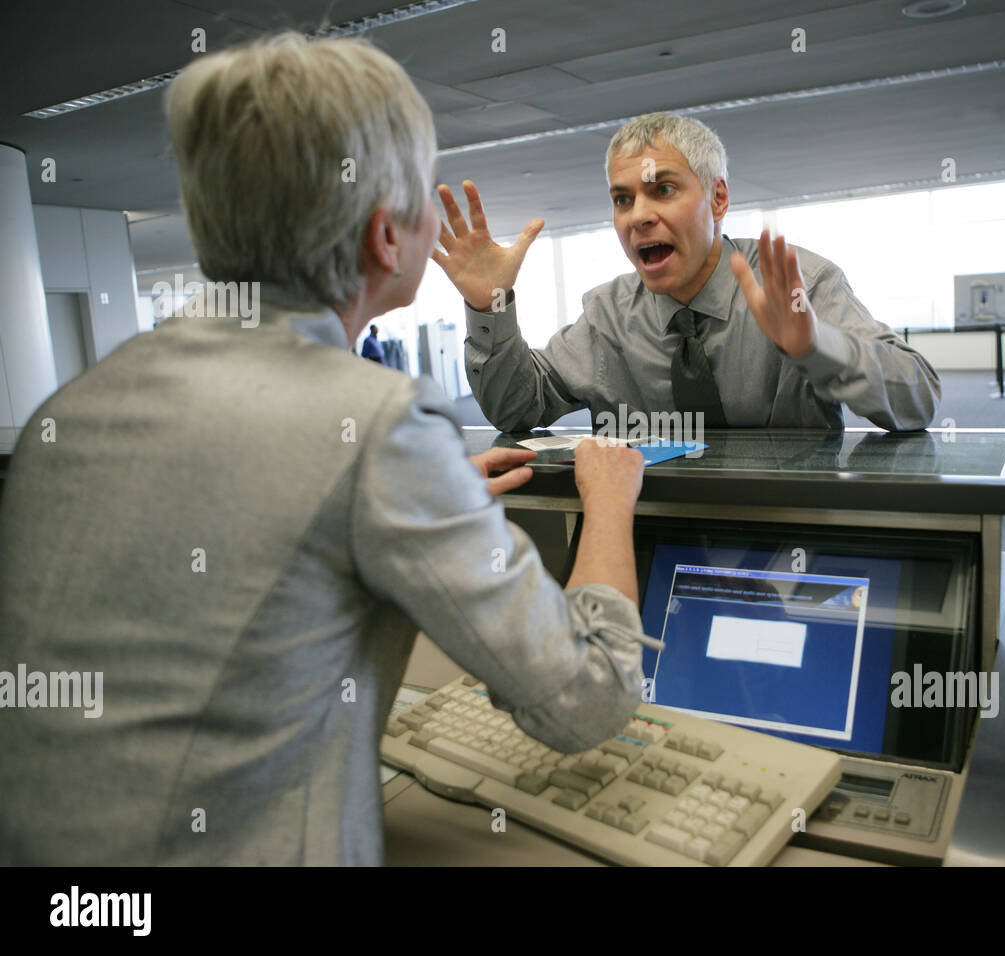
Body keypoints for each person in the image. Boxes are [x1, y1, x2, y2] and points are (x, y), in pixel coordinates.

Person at [0, 33, 650, 866]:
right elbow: (588, 700)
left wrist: (421, 494)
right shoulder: (375, 426)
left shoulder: (78, 407)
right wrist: (607, 510)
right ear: (387, 236)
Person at [436, 112, 941, 434]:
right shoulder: (606, 316)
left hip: (789, 545)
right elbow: (517, 410)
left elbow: (917, 398)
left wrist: (817, 346)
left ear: (718, 198)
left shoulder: (799, 285)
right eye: (622, 199)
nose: (637, 216)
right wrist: (489, 308)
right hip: (654, 548)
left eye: (663, 190)